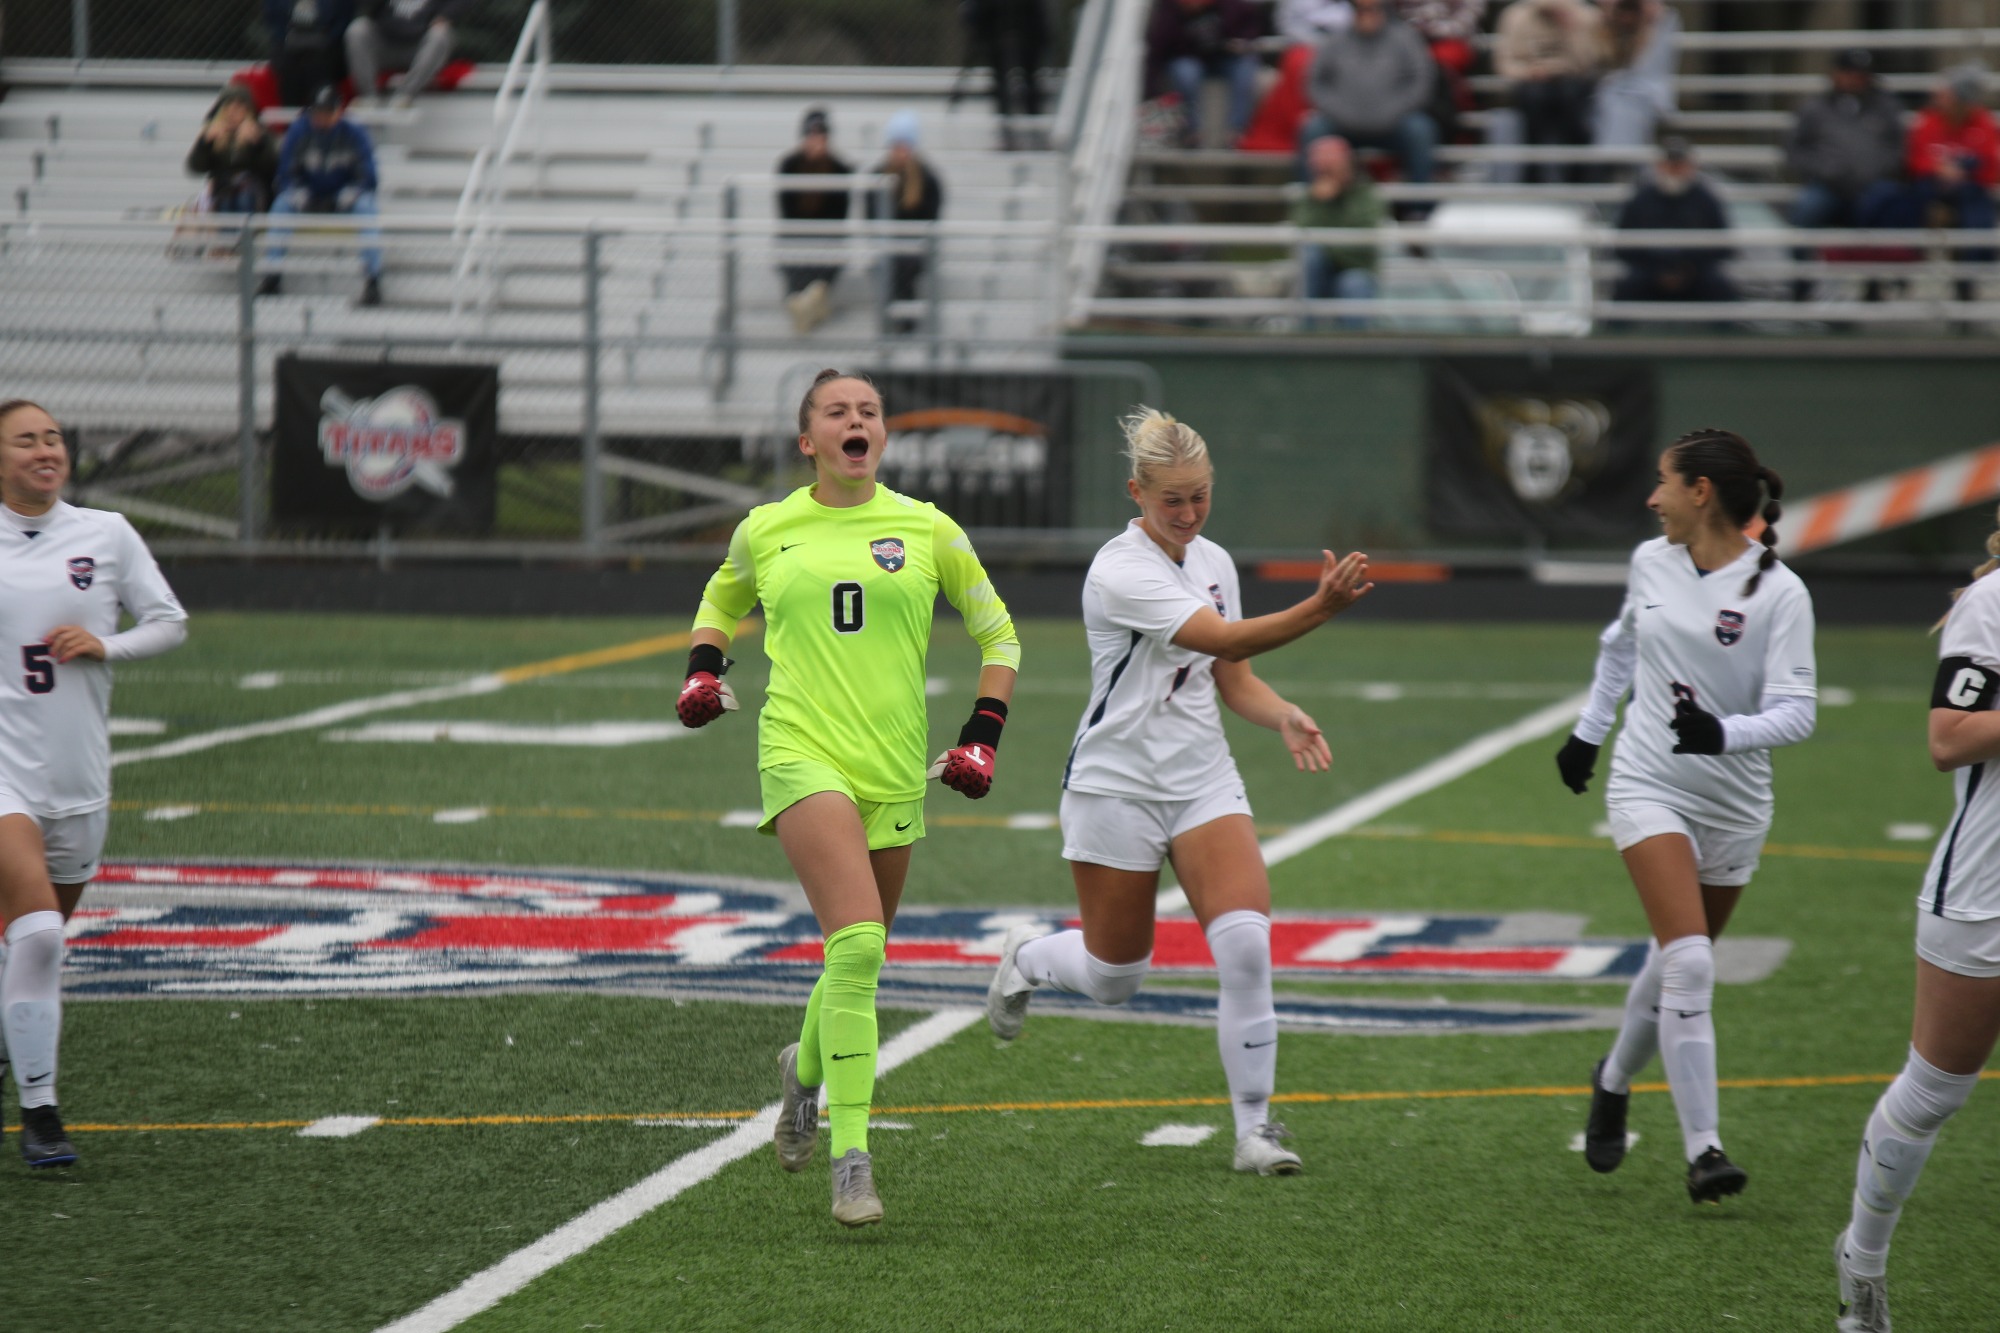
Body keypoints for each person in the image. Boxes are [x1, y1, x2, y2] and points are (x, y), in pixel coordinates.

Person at [984, 408, 1372, 1176]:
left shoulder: (1215, 561)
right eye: (1173, 499)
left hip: (1202, 781)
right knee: (1114, 977)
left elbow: (1234, 677)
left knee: (1247, 947)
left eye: (1200, 496)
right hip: (1115, 786)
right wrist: (1321, 607)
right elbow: (1223, 637)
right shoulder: (1118, 570)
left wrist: (1282, 713)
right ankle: (1027, 956)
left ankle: (1256, 1131)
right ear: (1137, 493)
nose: (1190, 512)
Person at [678, 370, 1020, 1227]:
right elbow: (721, 597)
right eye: (838, 412)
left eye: (869, 411)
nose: (856, 420)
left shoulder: (928, 527)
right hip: (801, 751)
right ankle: (852, 1162)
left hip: (895, 766)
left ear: (882, 436)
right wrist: (702, 670)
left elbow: (999, 634)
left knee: (853, 955)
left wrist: (982, 734)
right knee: (861, 942)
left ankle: (801, 1076)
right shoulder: (768, 528)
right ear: (810, 441)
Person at [1555, 428, 1815, 1205]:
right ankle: (1705, 1149)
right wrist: (1588, 732)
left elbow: (1797, 711)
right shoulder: (1651, 561)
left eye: (1663, 483)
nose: (1652, 498)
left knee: (1675, 958)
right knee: (1692, 961)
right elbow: (1619, 649)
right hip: (1648, 782)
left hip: (1735, 801)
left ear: (1701, 492)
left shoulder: (1781, 592)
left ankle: (1612, 1077)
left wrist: (1723, 733)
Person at [0, 399, 189, 1168]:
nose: (45, 450)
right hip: (4, 771)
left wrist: (106, 645)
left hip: (78, 774)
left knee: (27, 942)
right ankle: (41, 1115)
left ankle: (13, 1047)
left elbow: (169, 620)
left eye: (53, 438)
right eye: (25, 440)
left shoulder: (105, 532)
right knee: (40, 931)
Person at [1831, 512, 2000, 1333]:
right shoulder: (1991, 604)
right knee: (1934, 1091)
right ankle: (1862, 1262)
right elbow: (1949, 737)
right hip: (1986, 891)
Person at [1784, 48, 1908, 303]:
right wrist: (1824, 170)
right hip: (1827, 187)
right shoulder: (1814, 108)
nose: (1855, 79)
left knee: (1884, 207)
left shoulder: (1886, 108)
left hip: (1870, 187)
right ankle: (1801, 284)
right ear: (1836, 74)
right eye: (1849, 73)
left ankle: (1874, 284)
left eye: (1861, 74)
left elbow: (1898, 149)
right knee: (1805, 212)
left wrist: (1876, 171)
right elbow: (1795, 151)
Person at [258, 85, 384, 306]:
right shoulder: (299, 130)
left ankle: (373, 280)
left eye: (328, 112)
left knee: (367, 207)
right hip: (307, 196)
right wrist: (298, 194)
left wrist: (350, 194)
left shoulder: (354, 132)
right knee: (281, 205)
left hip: (344, 197)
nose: (322, 118)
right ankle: (272, 276)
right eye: (318, 112)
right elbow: (285, 175)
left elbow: (369, 178)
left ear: (338, 111)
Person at [1301, 0, 1438, 184]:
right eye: (1360, 9)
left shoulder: (1405, 38)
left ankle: (1420, 200)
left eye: (1373, 9)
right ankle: (1311, 197)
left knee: (1420, 130)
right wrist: (1339, 112)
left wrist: (1395, 110)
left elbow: (1422, 80)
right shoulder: (1335, 40)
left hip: (1395, 123)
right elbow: (1315, 82)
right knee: (1314, 130)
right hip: (1341, 124)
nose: (1367, 15)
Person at [1902, 65, 1998, 300]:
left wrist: (1965, 170)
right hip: (1931, 190)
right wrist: (1938, 168)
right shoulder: (1929, 119)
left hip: (1968, 193)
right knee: (1907, 202)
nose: (1938, 98)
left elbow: (1992, 167)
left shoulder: (1982, 122)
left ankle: (1970, 275)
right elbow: (1914, 159)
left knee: (1975, 206)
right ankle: (1904, 266)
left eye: (1946, 94)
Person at [1611, 138, 1736, 305]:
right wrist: (1657, 268)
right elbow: (1623, 245)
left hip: (1695, 273)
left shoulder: (1705, 199)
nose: (1675, 170)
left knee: (1719, 287)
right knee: (1628, 287)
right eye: (1670, 165)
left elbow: (1723, 245)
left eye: (1680, 165)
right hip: (1650, 272)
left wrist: (1687, 268)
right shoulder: (1641, 198)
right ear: (1659, 166)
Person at [1493, 0, 1603, 183]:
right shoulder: (1515, 16)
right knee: (1535, 97)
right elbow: (1505, 63)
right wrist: (1529, 72)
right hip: (1530, 83)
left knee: (1571, 97)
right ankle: (1533, 174)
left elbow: (1589, 65)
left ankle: (1577, 175)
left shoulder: (1586, 16)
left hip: (1573, 83)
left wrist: (1571, 31)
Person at [865, 111, 945, 334]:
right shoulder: (878, 176)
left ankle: (900, 319)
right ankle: (900, 319)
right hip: (889, 247)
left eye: (904, 145)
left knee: (904, 264)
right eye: (896, 145)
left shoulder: (927, 179)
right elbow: (870, 216)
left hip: (915, 249)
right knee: (890, 262)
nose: (900, 151)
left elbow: (931, 219)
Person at [776, 108, 855, 336]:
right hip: (797, 239)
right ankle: (810, 303)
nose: (816, 141)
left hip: (826, 241)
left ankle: (806, 304)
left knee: (823, 256)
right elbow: (787, 214)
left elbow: (839, 217)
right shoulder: (789, 165)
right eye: (811, 135)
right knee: (795, 255)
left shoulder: (840, 169)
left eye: (820, 136)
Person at [1292, 133, 1385, 325]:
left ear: (1347, 164)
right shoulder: (1309, 198)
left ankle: (1354, 343)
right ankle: (1305, 332)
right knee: (1311, 256)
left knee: (1354, 283)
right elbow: (1302, 232)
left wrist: (1326, 246)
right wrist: (1320, 202)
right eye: (1320, 165)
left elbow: (1362, 243)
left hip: (1355, 269)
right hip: (1319, 274)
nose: (1324, 170)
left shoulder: (1365, 195)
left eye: (1330, 164)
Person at [1146, 0, 1266, 148]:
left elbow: (1251, 30)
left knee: (1246, 65)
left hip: (1226, 59)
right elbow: (1158, 50)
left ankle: (1235, 133)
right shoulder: (1170, 10)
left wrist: (1238, 43)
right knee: (1185, 71)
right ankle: (1193, 133)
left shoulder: (1233, 7)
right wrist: (1149, 91)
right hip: (1189, 59)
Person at [344, 0, 469, 109]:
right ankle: (368, 98)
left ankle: (403, 97)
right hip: (386, 44)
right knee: (357, 29)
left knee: (440, 34)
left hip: (420, 49)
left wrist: (445, 15)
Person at [1592, 0, 1678, 150]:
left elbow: (1646, 68)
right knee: (1609, 104)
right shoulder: (1604, 27)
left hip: (1647, 91)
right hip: (1611, 92)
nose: (1627, 18)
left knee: (1625, 108)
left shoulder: (1661, 23)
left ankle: (1624, 157)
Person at [963, 0, 1048, 148]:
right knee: (1001, 83)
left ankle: (1035, 132)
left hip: (1027, 28)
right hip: (995, 28)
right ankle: (1007, 135)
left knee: (1029, 81)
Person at [187, 84, 281, 215]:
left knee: (243, 196)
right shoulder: (214, 133)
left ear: (248, 110)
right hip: (221, 192)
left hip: (253, 192)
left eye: (238, 107)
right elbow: (195, 167)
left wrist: (258, 144)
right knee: (225, 199)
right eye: (228, 107)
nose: (233, 112)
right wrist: (205, 143)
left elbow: (272, 166)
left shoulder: (260, 133)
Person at [266, 0, 353, 108]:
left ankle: (323, 110)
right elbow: (273, 21)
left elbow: (343, 20)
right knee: (289, 65)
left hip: (328, 46)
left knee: (318, 62)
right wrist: (289, 40)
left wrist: (324, 40)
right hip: (288, 46)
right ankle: (291, 114)